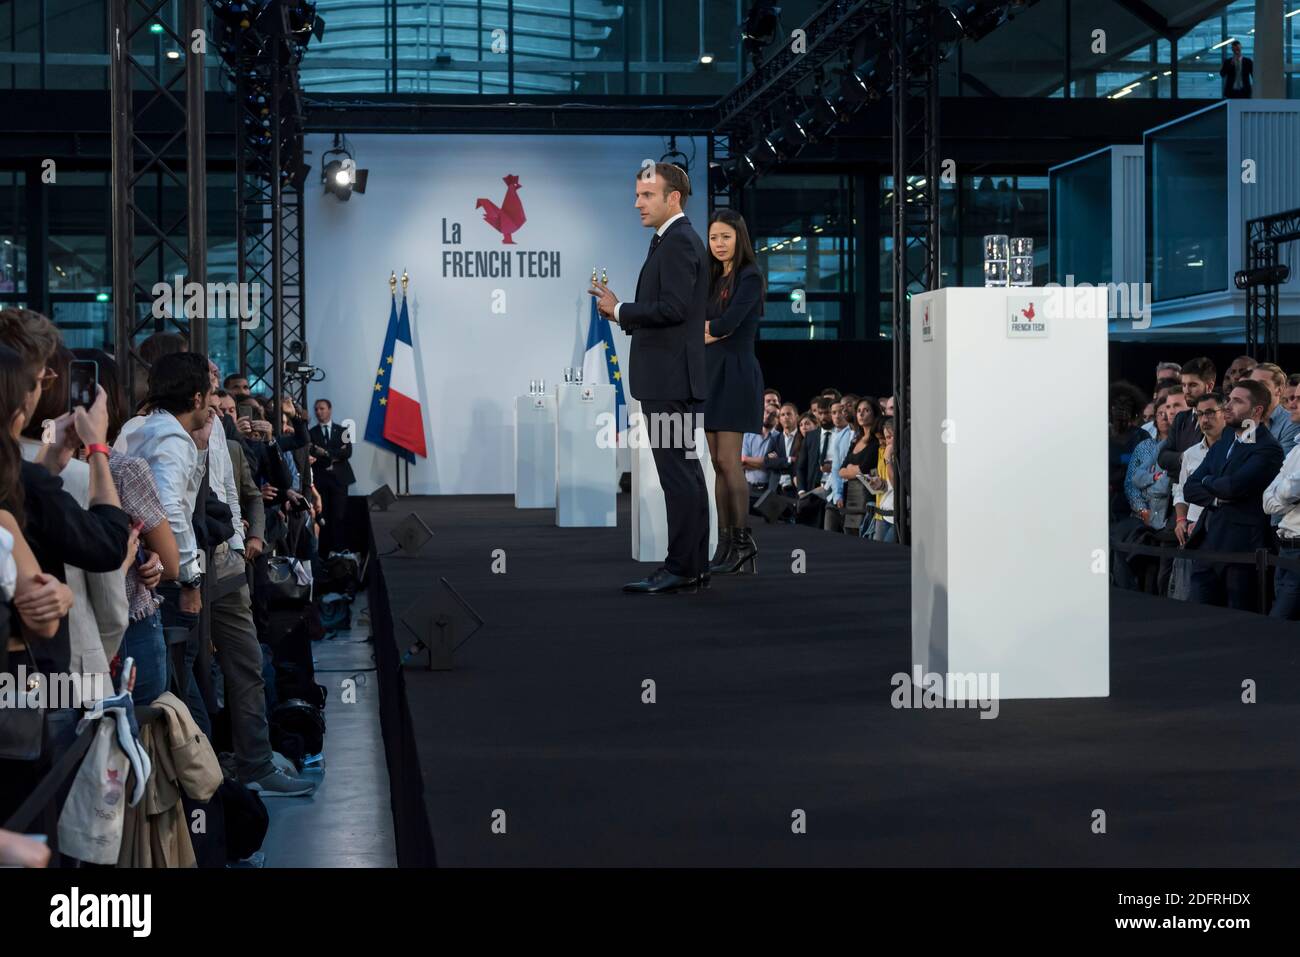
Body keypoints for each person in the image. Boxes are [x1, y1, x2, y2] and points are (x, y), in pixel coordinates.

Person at [588, 163, 709, 594]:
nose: (637, 203)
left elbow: (673, 308)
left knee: (679, 475)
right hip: (674, 379)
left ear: (672, 197)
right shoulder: (674, 240)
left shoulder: (677, 243)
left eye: (647, 195)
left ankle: (681, 567)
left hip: (669, 382)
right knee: (687, 474)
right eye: (638, 195)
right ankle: (692, 566)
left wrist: (621, 310)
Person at [699, 208, 765, 575]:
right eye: (713, 237)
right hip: (709, 375)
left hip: (736, 374)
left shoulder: (749, 276)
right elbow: (705, 323)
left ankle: (743, 542)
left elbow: (727, 324)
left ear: (739, 238)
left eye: (725, 236)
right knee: (716, 467)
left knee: (729, 461)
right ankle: (724, 544)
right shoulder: (711, 276)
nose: (719, 244)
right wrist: (709, 330)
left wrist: (709, 330)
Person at [1182, 380, 1284, 610]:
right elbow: (1190, 487)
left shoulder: (1268, 448)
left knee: (1238, 625)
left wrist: (1208, 481)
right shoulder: (1227, 438)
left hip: (1243, 550)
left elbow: (1233, 487)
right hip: (1208, 545)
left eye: (1237, 401)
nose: (1228, 405)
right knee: (1197, 618)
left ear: (1256, 411)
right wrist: (1215, 493)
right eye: (1229, 399)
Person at [309, 398, 355, 557]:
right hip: (321, 480)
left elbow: (347, 452)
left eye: (322, 408)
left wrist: (326, 453)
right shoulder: (311, 432)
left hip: (340, 480)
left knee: (339, 516)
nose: (318, 412)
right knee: (323, 516)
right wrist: (335, 453)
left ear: (330, 409)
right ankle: (323, 553)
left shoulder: (343, 431)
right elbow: (313, 452)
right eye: (316, 409)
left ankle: (340, 551)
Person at [839, 398, 882, 536]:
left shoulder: (876, 441)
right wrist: (853, 469)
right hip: (851, 498)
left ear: (875, 414)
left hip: (868, 497)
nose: (861, 414)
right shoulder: (856, 439)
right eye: (858, 411)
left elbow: (863, 469)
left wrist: (851, 469)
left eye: (866, 410)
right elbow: (841, 470)